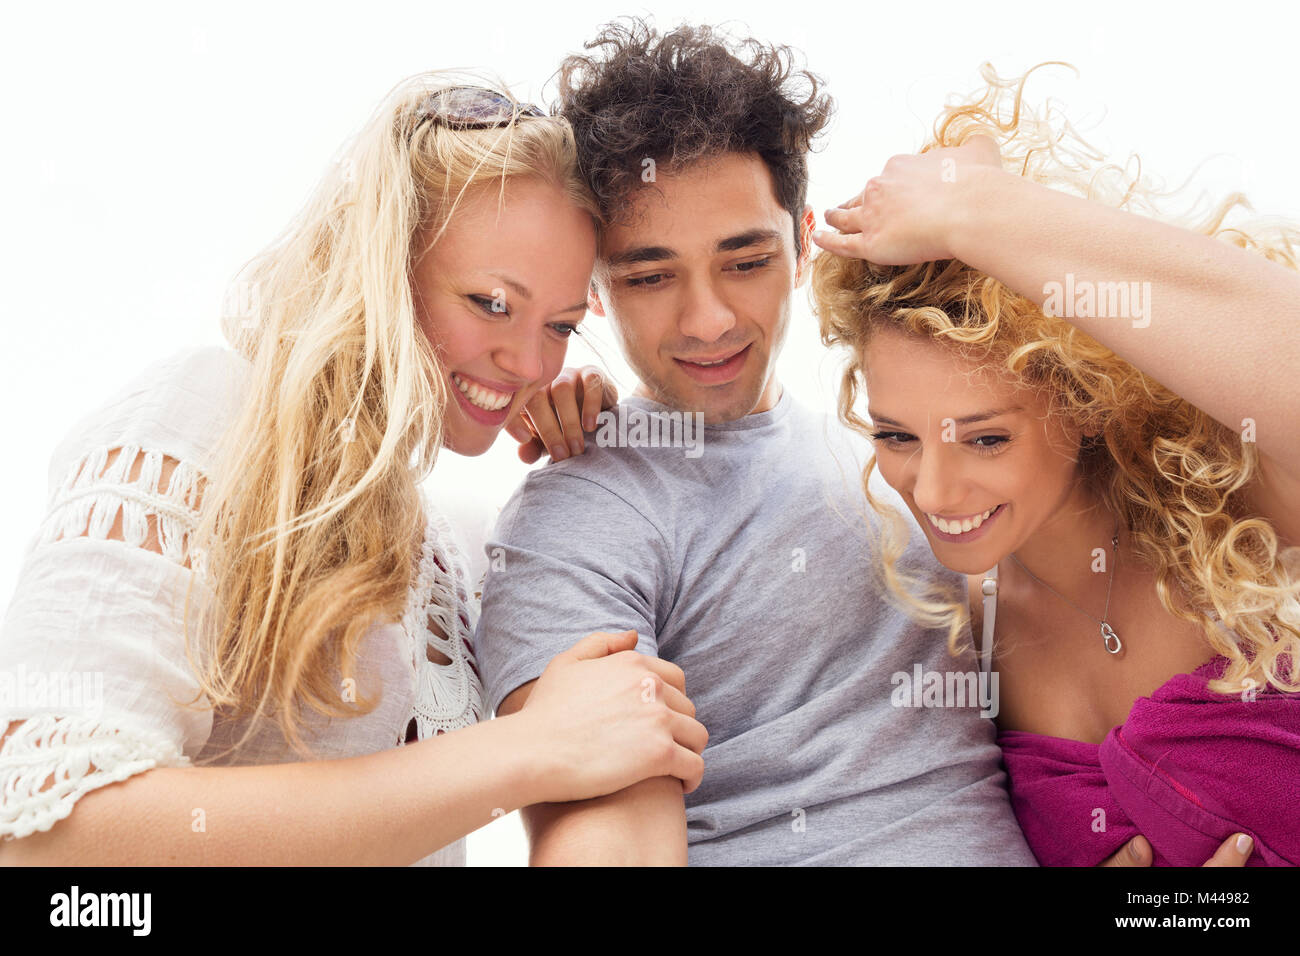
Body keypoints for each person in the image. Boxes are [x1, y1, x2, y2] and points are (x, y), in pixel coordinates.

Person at [0, 74, 707, 866]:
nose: (530, 362)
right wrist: (524, 751)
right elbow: (49, 837)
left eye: (562, 326)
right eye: (491, 303)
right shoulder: (205, 417)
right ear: (383, 269)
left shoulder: (449, 548)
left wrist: (605, 454)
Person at [473, 20, 1037, 866]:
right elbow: (604, 828)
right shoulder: (575, 513)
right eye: (651, 276)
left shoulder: (908, 458)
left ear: (804, 244)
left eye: (745, 261)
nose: (708, 321)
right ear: (594, 288)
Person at [811, 63, 1300, 866]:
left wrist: (977, 211)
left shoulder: (1238, 510)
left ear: (1084, 402)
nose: (932, 492)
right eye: (897, 437)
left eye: (986, 438)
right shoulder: (963, 630)